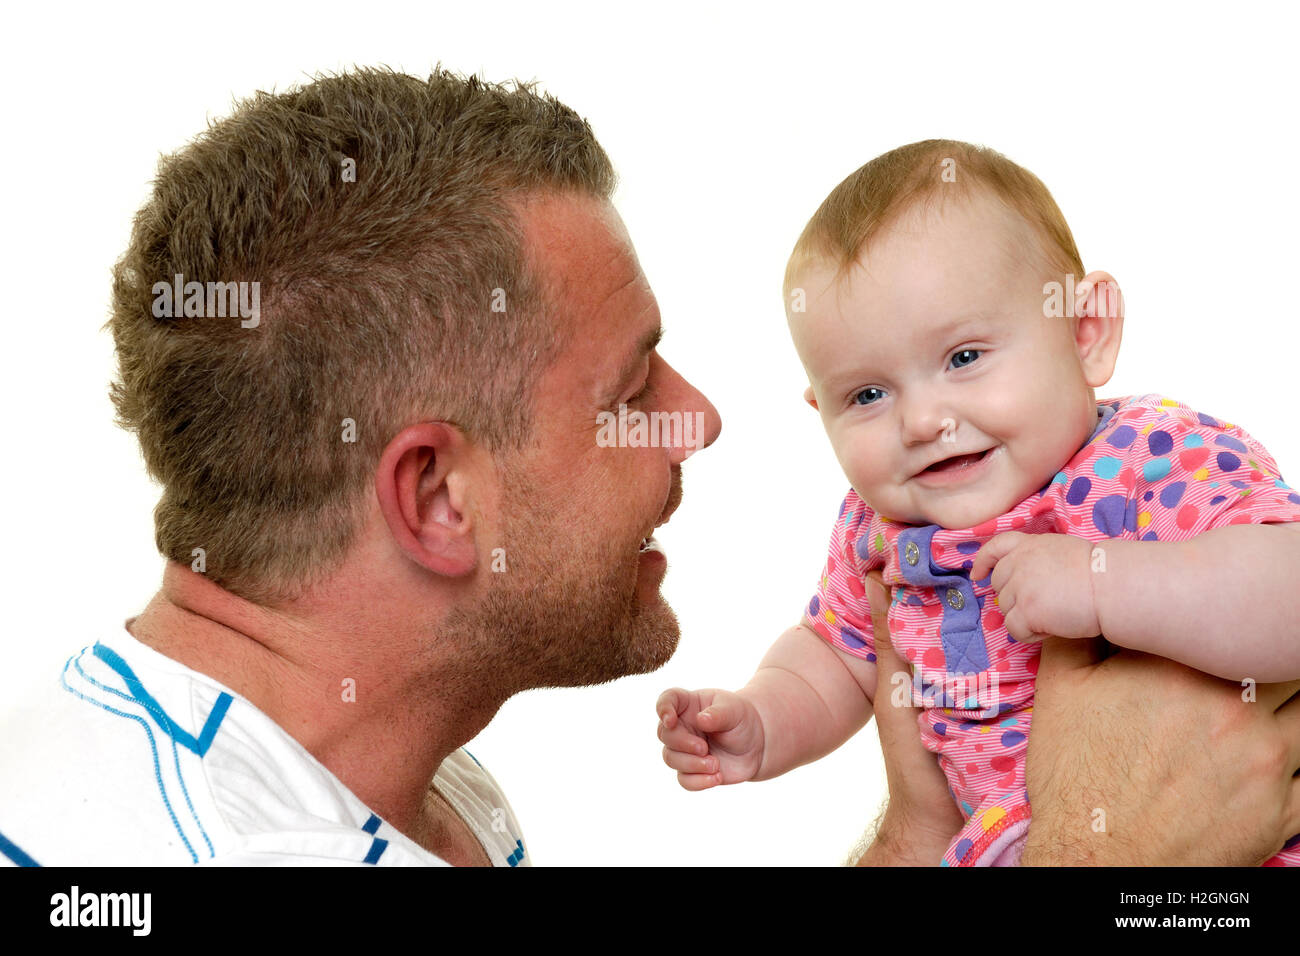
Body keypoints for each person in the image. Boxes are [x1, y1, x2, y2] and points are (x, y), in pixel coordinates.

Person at [0, 74, 1295, 867]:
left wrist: (911, 832)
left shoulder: (418, 792)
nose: (703, 420)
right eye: (633, 391)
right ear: (439, 501)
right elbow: (831, 649)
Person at [657, 139, 1300, 866]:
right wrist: (764, 719)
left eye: (964, 358)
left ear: (1085, 333)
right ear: (820, 411)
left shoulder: (1149, 459)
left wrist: (1101, 583)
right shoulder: (879, 532)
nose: (922, 420)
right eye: (867, 395)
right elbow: (836, 656)